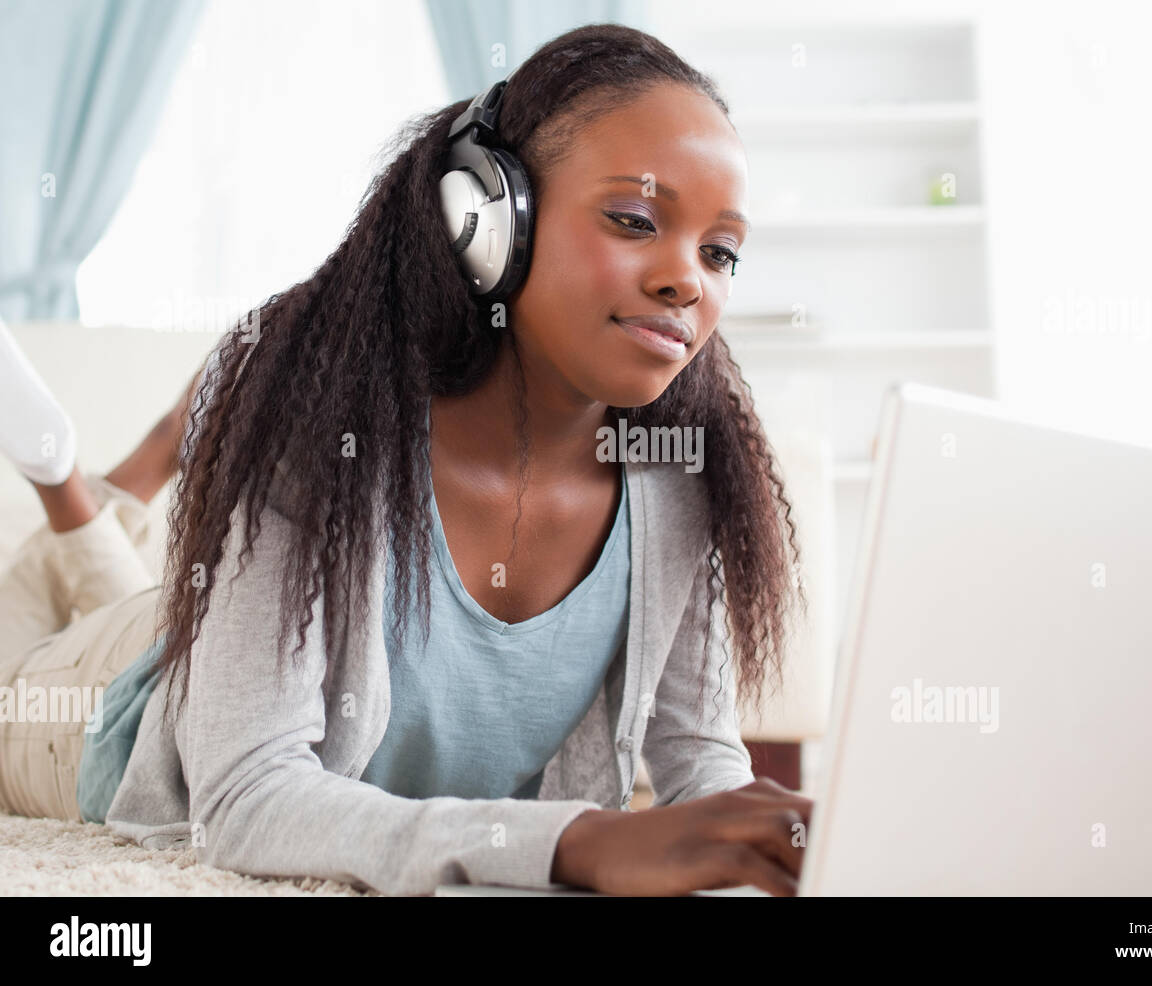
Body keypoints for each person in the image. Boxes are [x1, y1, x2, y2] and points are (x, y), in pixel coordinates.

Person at [0, 23, 814, 897]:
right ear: (490, 219)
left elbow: (698, 755)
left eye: (719, 251)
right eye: (634, 220)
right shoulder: (325, 424)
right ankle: (70, 484)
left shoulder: (676, 475)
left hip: (210, 629)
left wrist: (769, 846)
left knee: (139, 595)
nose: (688, 278)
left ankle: (100, 475)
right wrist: (574, 843)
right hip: (110, 710)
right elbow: (245, 794)